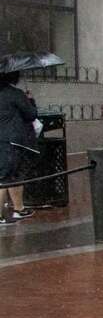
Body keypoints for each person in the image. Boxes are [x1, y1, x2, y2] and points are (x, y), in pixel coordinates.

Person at [0, 71, 39, 224]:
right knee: (5, 176)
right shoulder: (14, 93)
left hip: (3, 139)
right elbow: (31, 114)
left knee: (12, 175)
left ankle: (19, 208)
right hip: (11, 140)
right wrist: (31, 100)